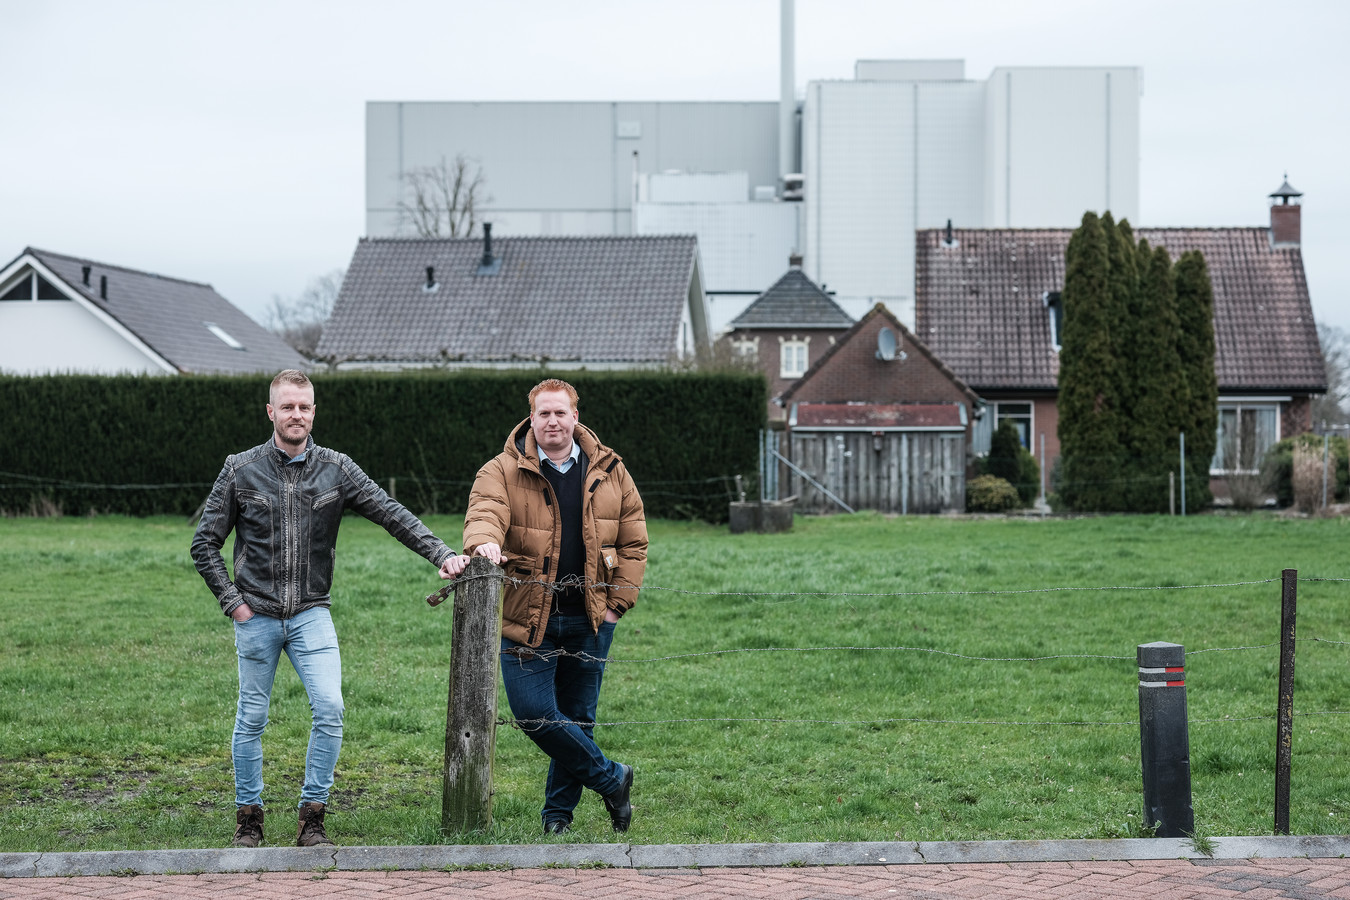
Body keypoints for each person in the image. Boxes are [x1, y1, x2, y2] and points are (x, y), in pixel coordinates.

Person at [191, 369, 469, 848]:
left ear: (313, 412)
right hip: (255, 613)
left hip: (310, 613)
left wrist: (442, 554)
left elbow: (389, 511)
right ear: (271, 411)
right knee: (252, 717)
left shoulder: (336, 468)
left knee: (331, 707)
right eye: (287, 406)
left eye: (304, 406)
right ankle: (249, 819)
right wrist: (233, 603)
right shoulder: (240, 469)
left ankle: (312, 816)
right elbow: (204, 544)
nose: (295, 414)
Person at [458, 378, 647, 835]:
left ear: (575, 417)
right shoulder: (500, 470)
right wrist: (483, 542)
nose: (552, 421)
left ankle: (557, 820)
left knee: (579, 718)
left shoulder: (610, 469)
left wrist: (616, 606)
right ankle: (612, 779)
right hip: (526, 617)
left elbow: (633, 541)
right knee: (533, 714)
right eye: (544, 413)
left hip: (590, 617)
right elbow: (485, 512)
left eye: (560, 412)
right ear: (531, 418)